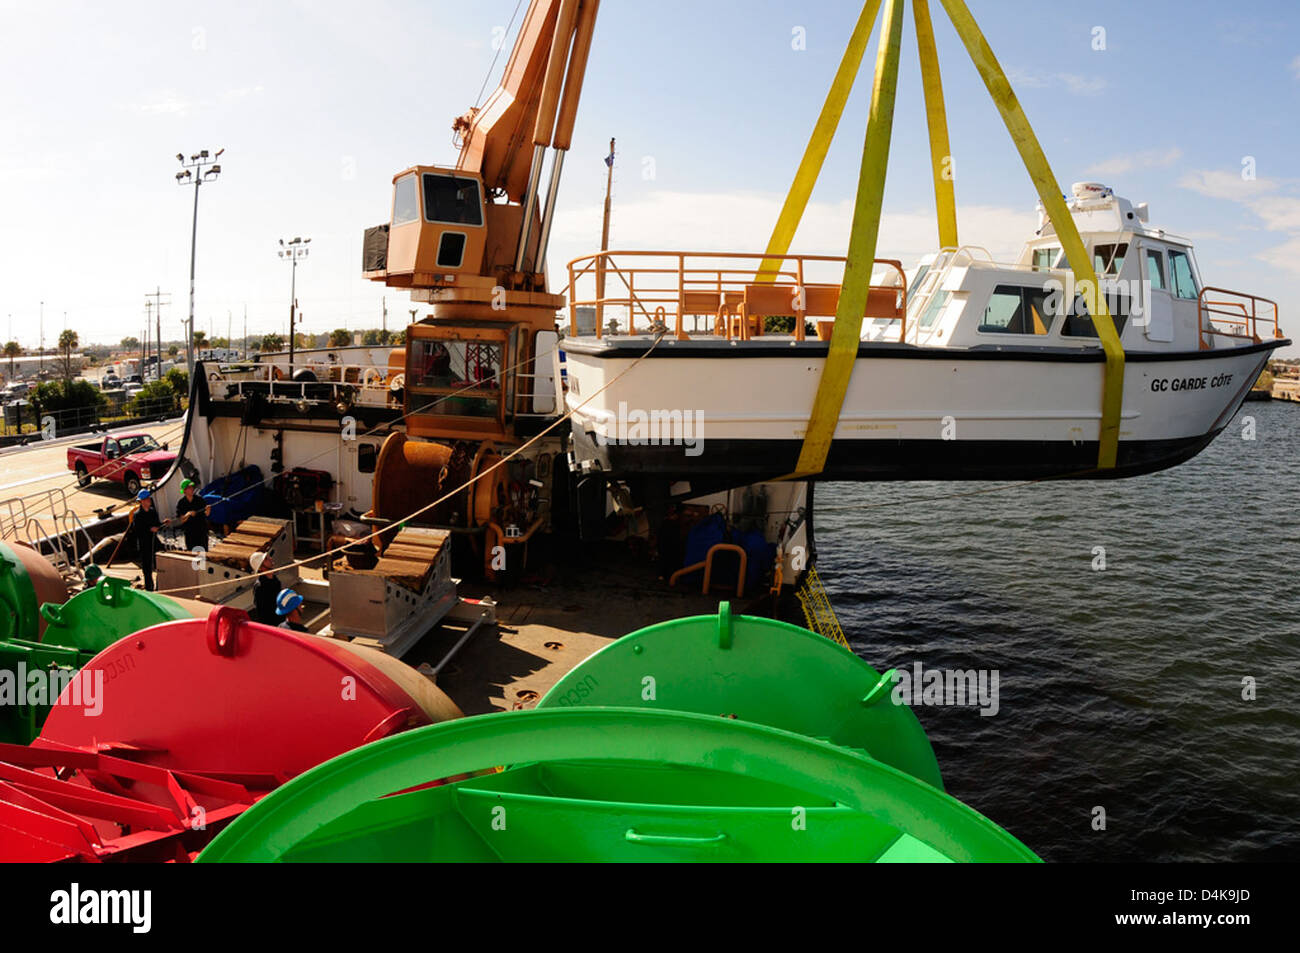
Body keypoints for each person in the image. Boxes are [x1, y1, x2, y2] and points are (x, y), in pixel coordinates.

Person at [127, 490, 168, 591]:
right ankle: (149, 587)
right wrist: (149, 529)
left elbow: (157, 525)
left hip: (154, 541)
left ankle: (159, 586)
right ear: (142, 501)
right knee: (147, 568)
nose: (149, 501)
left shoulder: (153, 512)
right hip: (144, 542)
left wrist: (163, 524)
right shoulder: (137, 515)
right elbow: (137, 530)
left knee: (159, 564)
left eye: (149, 499)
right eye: (146, 499)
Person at [175, 478, 212, 553]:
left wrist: (208, 510)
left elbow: (207, 514)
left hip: (201, 531)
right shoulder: (181, 503)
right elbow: (182, 520)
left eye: (192, 487)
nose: (191, 489)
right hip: (190, 533)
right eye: (189, 488)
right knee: (192, 554)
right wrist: (188, 514)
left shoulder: (200, 500)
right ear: (184, 490)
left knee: (203, 553)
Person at [249, 551, 280, 625]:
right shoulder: (260, 587)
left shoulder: (275, 580)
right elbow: (262, 613)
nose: (270, 559)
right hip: (271, 623)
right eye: (266, 559)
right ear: (261, 567)